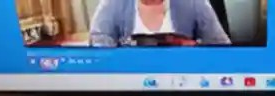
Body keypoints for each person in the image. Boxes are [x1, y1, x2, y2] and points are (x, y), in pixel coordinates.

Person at [89, 0, 232, 47]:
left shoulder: (194, 2)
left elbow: (222, 47)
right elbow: (99, 51)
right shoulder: (113, 4)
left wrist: (195, 50)